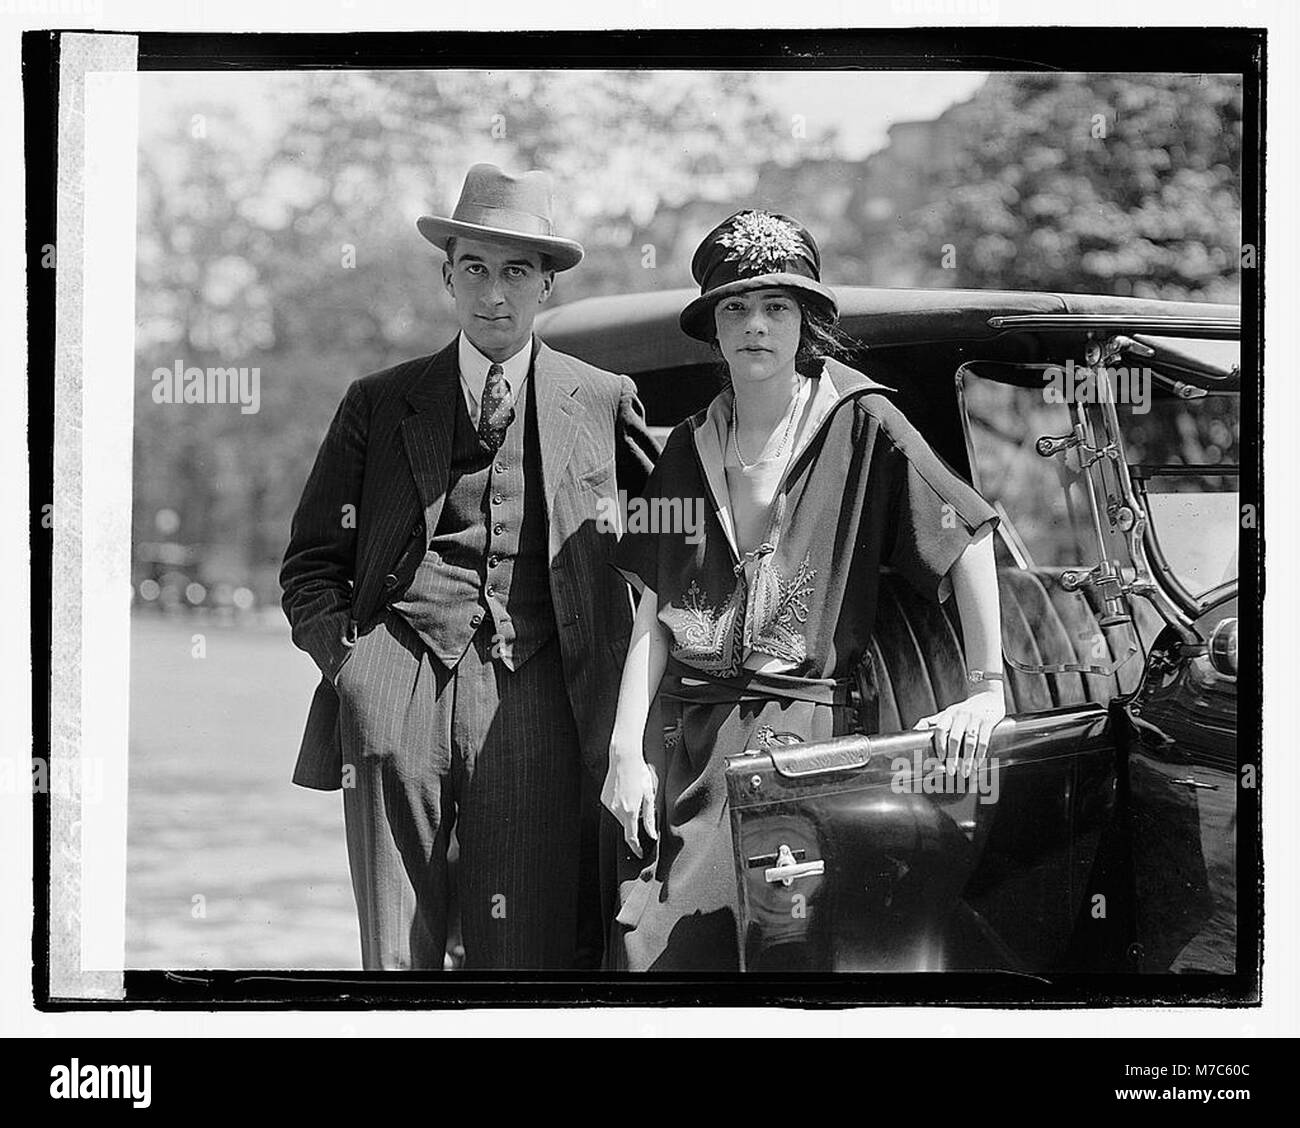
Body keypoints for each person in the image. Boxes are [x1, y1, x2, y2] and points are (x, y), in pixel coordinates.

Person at [602, 210, 1007, 971]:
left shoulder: (860, 420)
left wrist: (988, 687)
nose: (756, 325)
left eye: (777, 306)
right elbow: (655, 611)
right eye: (736, 307)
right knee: (643, 947)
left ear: (805, 321)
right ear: (714, 329)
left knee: (774, 951)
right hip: (684, 743)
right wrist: (626, 748)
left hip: (805, 743)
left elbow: (969, 531)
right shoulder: (689, 445)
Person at [281, 164, 657, 970]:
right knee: (393, 953)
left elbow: (674, 538)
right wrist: (355, 666)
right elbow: (311, 562)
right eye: (476, 268)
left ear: (547, 284)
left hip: (540, 690)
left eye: (516, 270)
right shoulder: (379, 403)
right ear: (447, 275)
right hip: (398, 682)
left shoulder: (599, 397)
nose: (494, 293)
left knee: (524, 951)